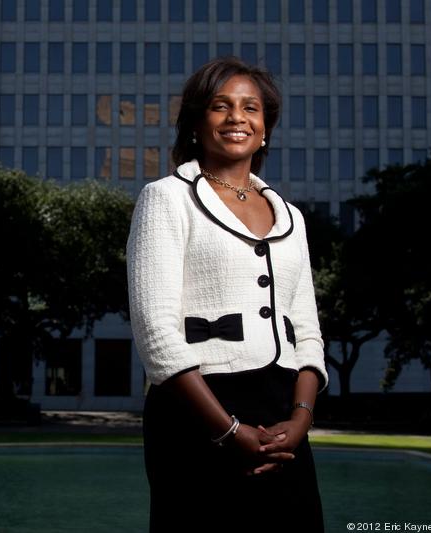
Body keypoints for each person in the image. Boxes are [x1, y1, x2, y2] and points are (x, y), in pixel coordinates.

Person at [127, 56, 329, 532]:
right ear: (197, 123)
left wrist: (301, 418)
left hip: (283, 413)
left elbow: (307, 330)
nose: (237, 117)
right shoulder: (165, 198)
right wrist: (228, 429)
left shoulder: (290, 216)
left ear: (266, 129)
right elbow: (156, 333)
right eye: (221, 106)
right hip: (196, 406)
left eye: (251, 108)